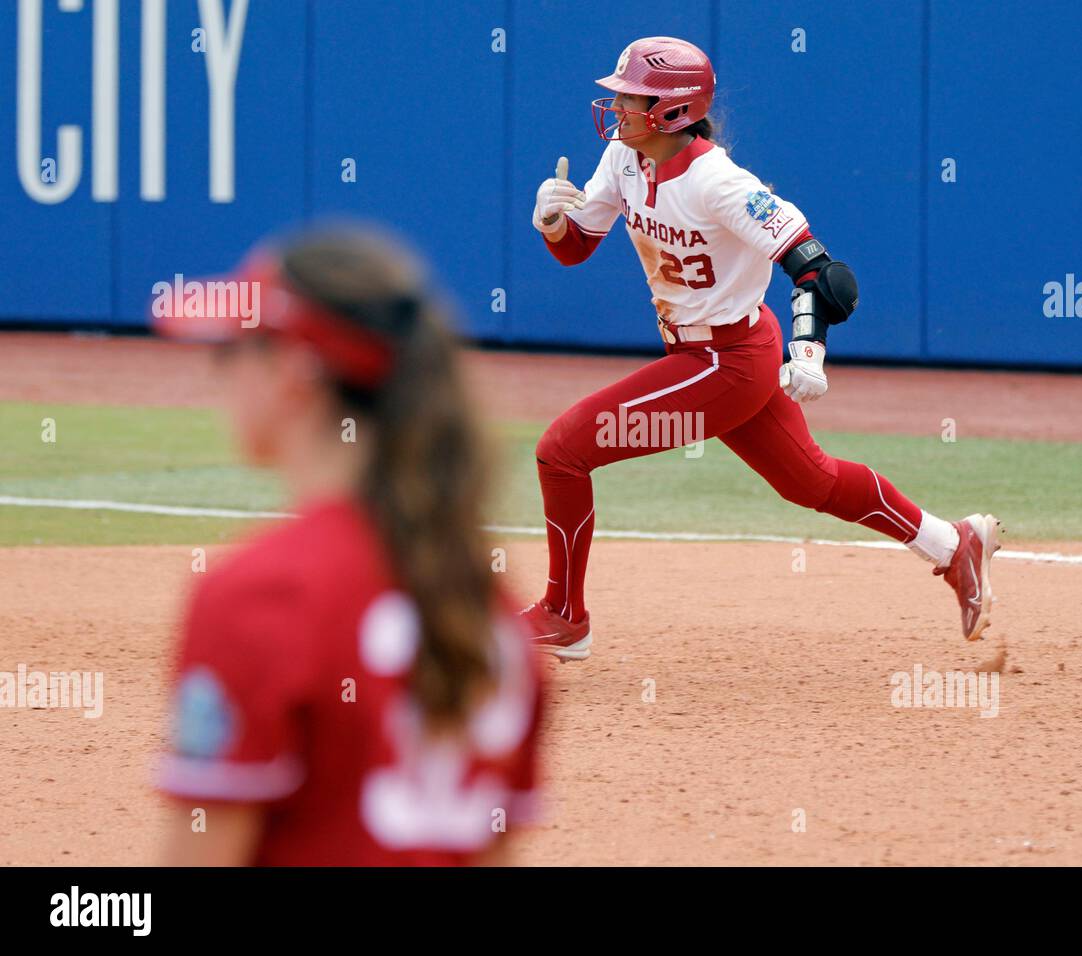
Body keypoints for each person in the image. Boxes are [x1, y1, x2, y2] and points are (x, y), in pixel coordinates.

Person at [522, 37, 1001, 662]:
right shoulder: (623, 157)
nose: (616, 108)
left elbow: (822, 273)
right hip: (713, 356)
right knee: (814, 482)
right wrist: (554, 221)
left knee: (562, 452)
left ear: (671, 109)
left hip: (726, 361)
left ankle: (565, 615)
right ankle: (952, 544)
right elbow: (578, 245)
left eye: (630, 97)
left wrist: (809, 348)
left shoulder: (718, 182)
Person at [154, 227, 541, 865]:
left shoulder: (257, 594)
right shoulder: (489, 611)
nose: (216, 372)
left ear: (294, 371)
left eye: (232, 351)